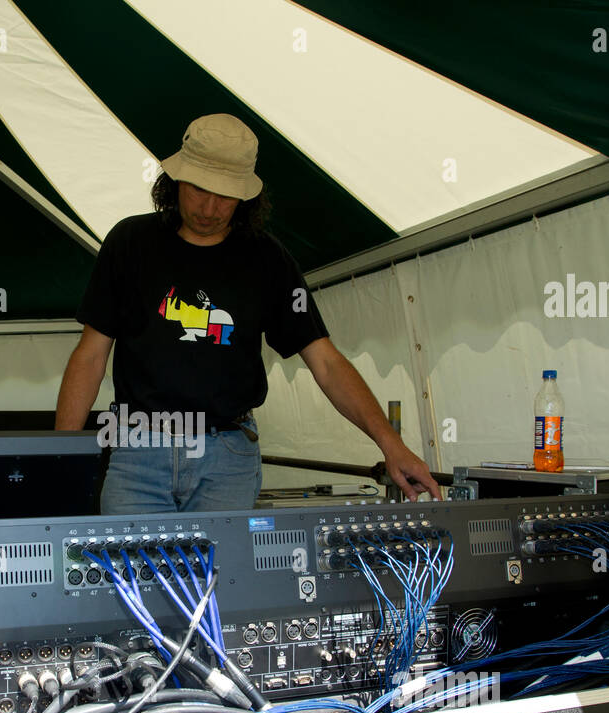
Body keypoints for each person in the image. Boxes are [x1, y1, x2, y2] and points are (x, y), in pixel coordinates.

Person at [55, 113, 441, 513]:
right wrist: (60, 459)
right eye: (199, 189)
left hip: (228, 460)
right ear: (174, 181)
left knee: (227, 576)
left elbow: (325, 362)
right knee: (134, 575)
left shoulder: (268, 258)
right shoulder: (129, 243)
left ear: (247, 195)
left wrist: (391, 444)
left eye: (225, 194)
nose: (209, 207)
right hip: (138, 454)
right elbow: (91, 354)